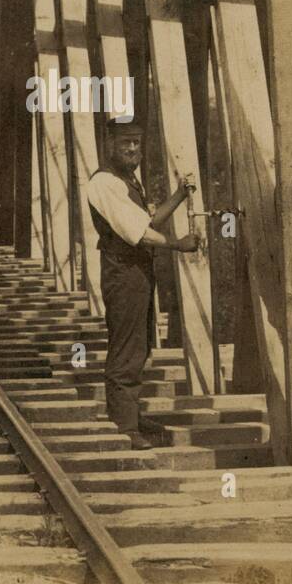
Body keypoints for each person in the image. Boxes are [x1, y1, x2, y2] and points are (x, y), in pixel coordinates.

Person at [87, 119, 199, 450]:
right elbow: (137, 233)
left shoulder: (128, 180)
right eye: (125, 143)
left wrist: (178, 196)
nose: (133, 149)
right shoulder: (105, 183)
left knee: (140, 344)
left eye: (137, 143)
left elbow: (146, 221)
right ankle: (123, 425)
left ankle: (131, 416)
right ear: (110, 145)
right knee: (126, 347)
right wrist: (178, 244)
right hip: (123, 272)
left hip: (137, 271)